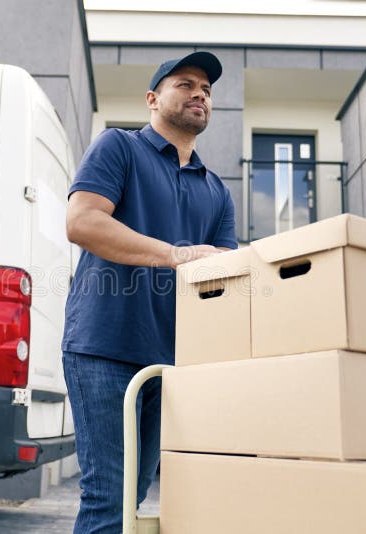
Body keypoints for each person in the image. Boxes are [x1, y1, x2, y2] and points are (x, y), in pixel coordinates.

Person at [62, 51, 237, 533]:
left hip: (171, 361)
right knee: (108, 499)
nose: (200, 93)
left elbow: (221, 276)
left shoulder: (217, 190)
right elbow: (82, 222)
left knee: (135, 495)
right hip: (103, 347)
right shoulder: (118, 147)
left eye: (206, 89)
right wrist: (177, 254)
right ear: (152, 98)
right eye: (185, 84)